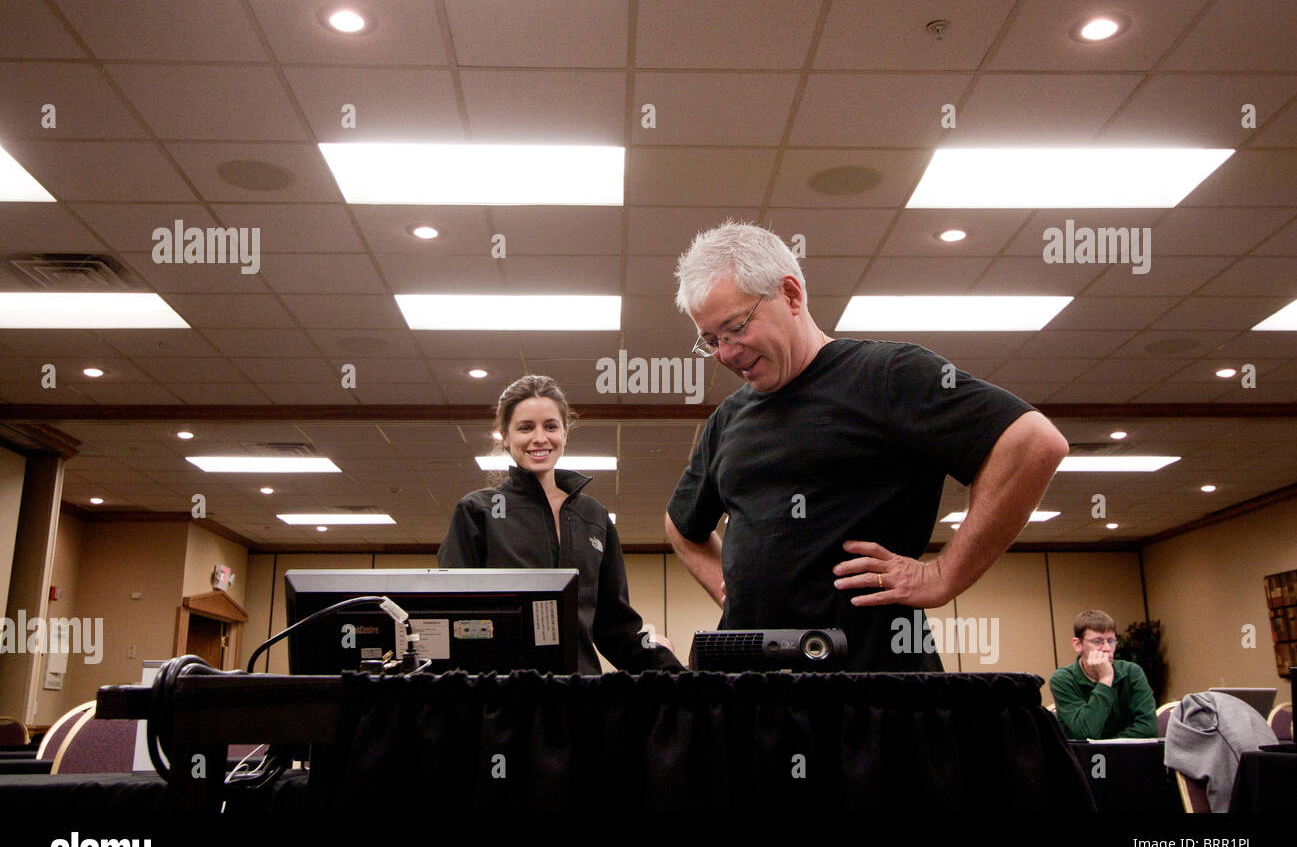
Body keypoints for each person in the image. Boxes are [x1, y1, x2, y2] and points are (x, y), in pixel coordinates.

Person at [664, 221, 1069, 671]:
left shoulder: (888, 375)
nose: (725, 353)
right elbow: (681, 525)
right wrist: (730, 588)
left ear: (792, 296)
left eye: (735, 328)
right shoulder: (729, 418)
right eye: (711, 340)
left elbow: (1033, 443)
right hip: (757, 688)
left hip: (875, 685)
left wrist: (943, 575)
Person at [439, 374, 683, 675]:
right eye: (525, 427)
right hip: (502, 702)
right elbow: (452, 620)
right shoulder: (477, 512)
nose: (539, 438)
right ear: (505, 435)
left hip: (579, 702)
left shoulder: (594, 517)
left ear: (565, 433)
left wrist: (681, 677)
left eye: (550, 426)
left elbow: (617, 628)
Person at [1050, 610, 1157, 740]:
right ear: (1078, 645)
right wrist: (1105, 679)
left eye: (1111, 641)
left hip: (1128, 755)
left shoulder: (1132, 672)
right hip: (1083, 758)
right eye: (1098, 641)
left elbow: (1148, 728)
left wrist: (1108, 745)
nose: (1106, 648)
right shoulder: (1063, 679)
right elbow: (1086, 732)